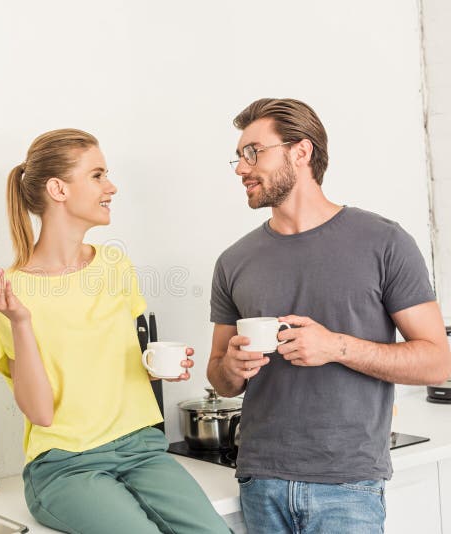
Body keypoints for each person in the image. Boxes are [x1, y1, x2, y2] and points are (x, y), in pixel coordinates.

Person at [207, 98, 451, 534]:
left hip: (348, 485)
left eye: (253, 152)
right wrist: (230, 367)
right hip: (260, 481)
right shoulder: (234, 261)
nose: (241, 168)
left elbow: (438, 361)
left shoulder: (384, 242)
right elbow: (221, 379)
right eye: (239, 157)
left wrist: (336, 346)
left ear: (301, 152)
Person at [0, 129, 230, 534]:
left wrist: (156, 367)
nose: (110, 186)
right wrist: (21, 323)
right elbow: (41, 412)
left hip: (142, 450)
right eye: (97, 175)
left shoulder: (114, 265)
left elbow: (112, 364)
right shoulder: (13, 292)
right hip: (66, 465)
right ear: (58, 189)